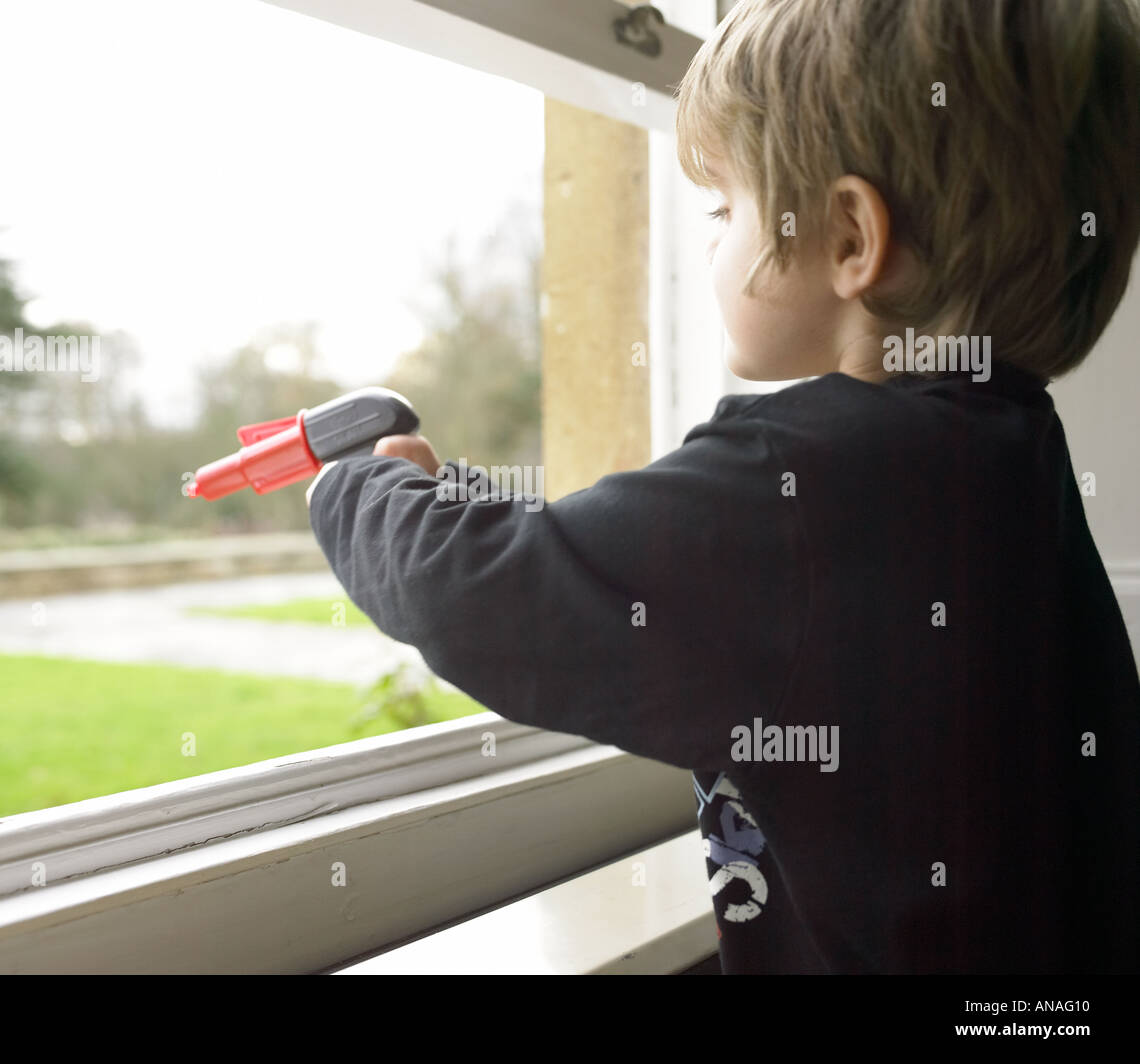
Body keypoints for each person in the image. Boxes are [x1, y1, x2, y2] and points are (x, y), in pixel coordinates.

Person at [306, 0, 1140, 973]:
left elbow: (487, 591)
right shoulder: (1004, 452)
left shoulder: (810, 476)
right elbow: (622, 544)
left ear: (845, 237)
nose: (710, 241)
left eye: (724, 208)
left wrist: (363, 485)